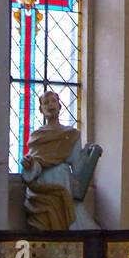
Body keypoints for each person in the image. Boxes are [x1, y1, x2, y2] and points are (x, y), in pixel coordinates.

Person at [21, 90, 102, 231]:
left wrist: (88, 156)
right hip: (44, 187)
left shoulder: (71, 135)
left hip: (63, 183)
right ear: (41, 109)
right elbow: (36, 165)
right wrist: (30, 165)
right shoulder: (37, 136)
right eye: (46, 103)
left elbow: (77, 168)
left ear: (60, 106)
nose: (50, 105)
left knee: (74, 225)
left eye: (53, 101)